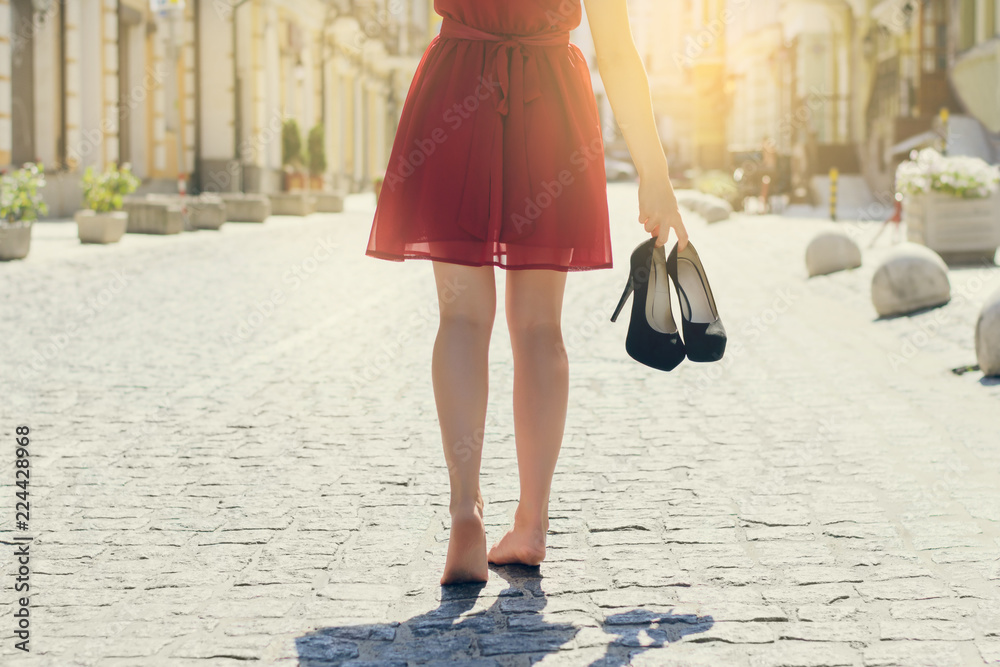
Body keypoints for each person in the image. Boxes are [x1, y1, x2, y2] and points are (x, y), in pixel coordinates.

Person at [366, 0, 688, 585]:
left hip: (457, 86)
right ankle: (532, 520)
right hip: (551, 102)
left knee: (461, 319)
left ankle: (465, 514)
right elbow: (615, 50)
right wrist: (655, 172)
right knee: (540, 328)